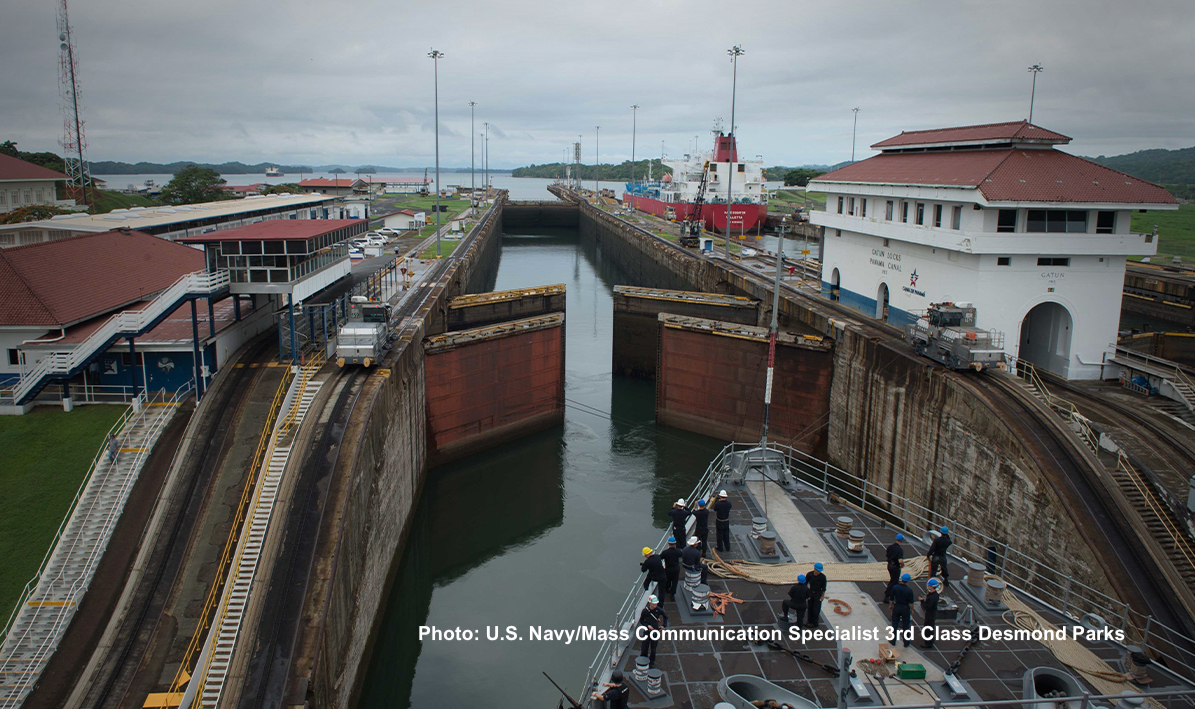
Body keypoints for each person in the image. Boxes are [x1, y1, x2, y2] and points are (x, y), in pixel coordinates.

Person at [638, 595, 668, 668]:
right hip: (647, 631)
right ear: (650, 603)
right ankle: (643, 660)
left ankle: (652, 662)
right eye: (654, 604)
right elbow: (641, 620)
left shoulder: (658, 610)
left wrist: (664, 625)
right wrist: (647, 625)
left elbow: (665, 616)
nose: (655, 605)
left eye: (656, 604)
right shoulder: (645, 611)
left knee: (653, 648)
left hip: (655, 632)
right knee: (644, 647)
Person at [890, 573, 916, 647]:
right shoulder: (909, 590)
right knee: (906, 626)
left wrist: (891, 605)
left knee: (894, 624)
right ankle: (906, 642)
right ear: (908, 581)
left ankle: (893, 640)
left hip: (897, 606)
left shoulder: (895, 587)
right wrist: (912, 610)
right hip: (905, 608)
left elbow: (891, 598)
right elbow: (911, 602)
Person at [920, 578, 941, 648]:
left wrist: (922, 601)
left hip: (930, 614)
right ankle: (930, 640)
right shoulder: (935, 595)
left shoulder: (932, 597)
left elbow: (928, 607)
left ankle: (928, 643)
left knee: (928, 627)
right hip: (932, 613)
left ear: (931, 586)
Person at [885, 533, 906, 602]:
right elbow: (900, 561)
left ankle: (894, 594)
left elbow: (887, 554)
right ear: (902, 541)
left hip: (889, 565)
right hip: (895, 567)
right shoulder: (900, 550)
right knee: (893, 581)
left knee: (895, 581)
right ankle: (887, 596)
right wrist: (902, 565)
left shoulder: (890, 547)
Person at [805, 562, 827, 628]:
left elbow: (823, 588)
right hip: (811, 593)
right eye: (817, 570)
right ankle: (809, 621)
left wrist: (822, 596)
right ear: (814, 569)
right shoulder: (809, 575)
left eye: (819, 571)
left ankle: (814, 623)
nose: (818, 572)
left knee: (816, 609)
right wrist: (807, 595)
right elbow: (805, 584)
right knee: (810, 607)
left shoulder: (823, 577)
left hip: (818, 594)